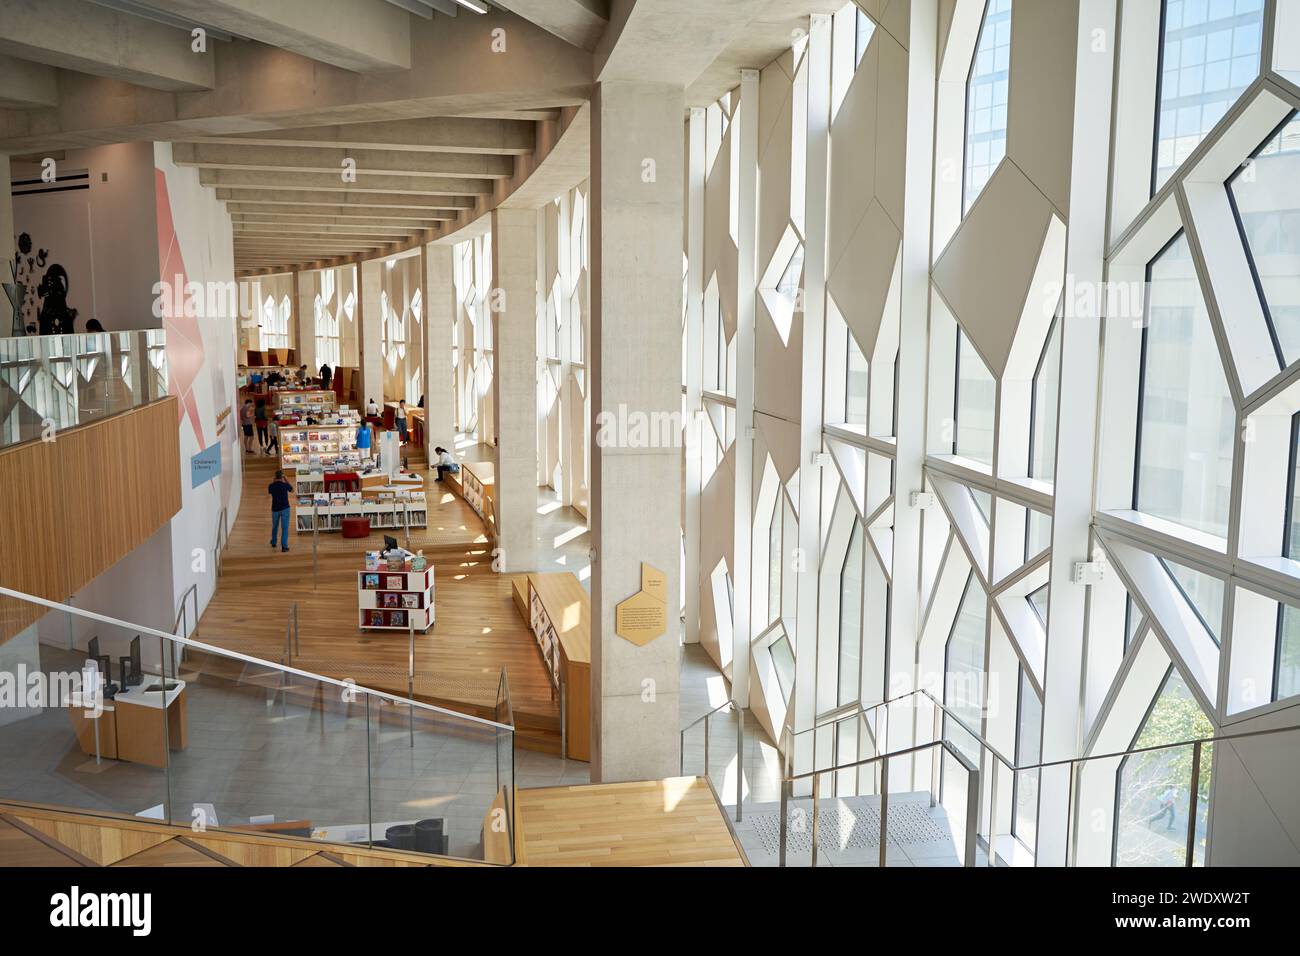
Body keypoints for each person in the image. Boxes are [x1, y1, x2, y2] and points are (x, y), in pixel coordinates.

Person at [268, 469, 293, 552]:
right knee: (284, 527)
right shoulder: (285, 485)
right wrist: (286, 480)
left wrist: (273, 481)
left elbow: (270, 491)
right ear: (282, 477)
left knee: (275, 526)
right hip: (285, 508)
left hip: (275, 509)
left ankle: (274, 542)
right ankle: (284, 546)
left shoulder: (271, 486)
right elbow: (292, 490)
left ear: (275, 477)